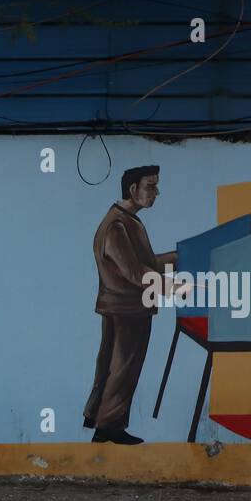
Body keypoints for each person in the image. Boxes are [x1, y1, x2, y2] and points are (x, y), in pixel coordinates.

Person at [82, 165, 178, 444]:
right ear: (133, 190)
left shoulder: (124, 221)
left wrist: (176, 257)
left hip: (119, 304)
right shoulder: (117, 225)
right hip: (128, 307)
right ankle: (109, 427)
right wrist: (173, 286)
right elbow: (135, 272)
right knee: (124, 367)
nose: (156, 192)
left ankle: (94, 415)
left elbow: (141, 265)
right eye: (151, 186)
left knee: (109, 364)